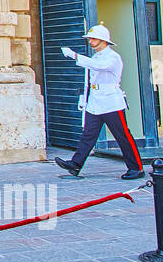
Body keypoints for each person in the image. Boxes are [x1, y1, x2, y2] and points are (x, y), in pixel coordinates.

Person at [55, 24, 145, 180]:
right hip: (96, 101)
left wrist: (74, 56)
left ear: (103, 40)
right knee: (88, 135)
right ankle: (76, 164)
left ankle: (136, 168)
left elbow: (99, 67)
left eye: (93, 38)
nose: (90, 41)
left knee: (122, 136)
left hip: (111, 102)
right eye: (90, 38)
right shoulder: (96, 56)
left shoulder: (112, 57)